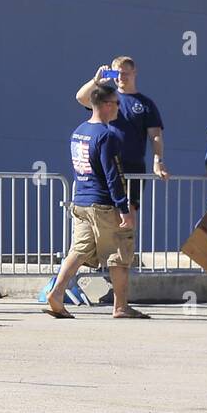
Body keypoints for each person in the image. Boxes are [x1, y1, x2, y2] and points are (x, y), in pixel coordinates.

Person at [44, 83, 148, 319]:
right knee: (121, 251)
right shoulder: (106, 136)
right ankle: (120, 306)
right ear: (106, 105)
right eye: (117, 103)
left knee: (79, 249)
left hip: (81, 200)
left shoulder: (79, 131)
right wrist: (124, 208)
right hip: (102, 203)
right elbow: (113, 175)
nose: (119, 108)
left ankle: (57, 292)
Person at [75, 57, 169, 214]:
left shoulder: (145, 104)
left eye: (125, 73)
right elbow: (81, 98)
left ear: (134, 72)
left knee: (128, 213)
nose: (121, 78)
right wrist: (96, 81)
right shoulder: (106, 98)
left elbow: (156, 135)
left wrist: (158, 160)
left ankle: (127, 239)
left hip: (133, 167)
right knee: (104, 210)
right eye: (117, 73)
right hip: (105, 163)